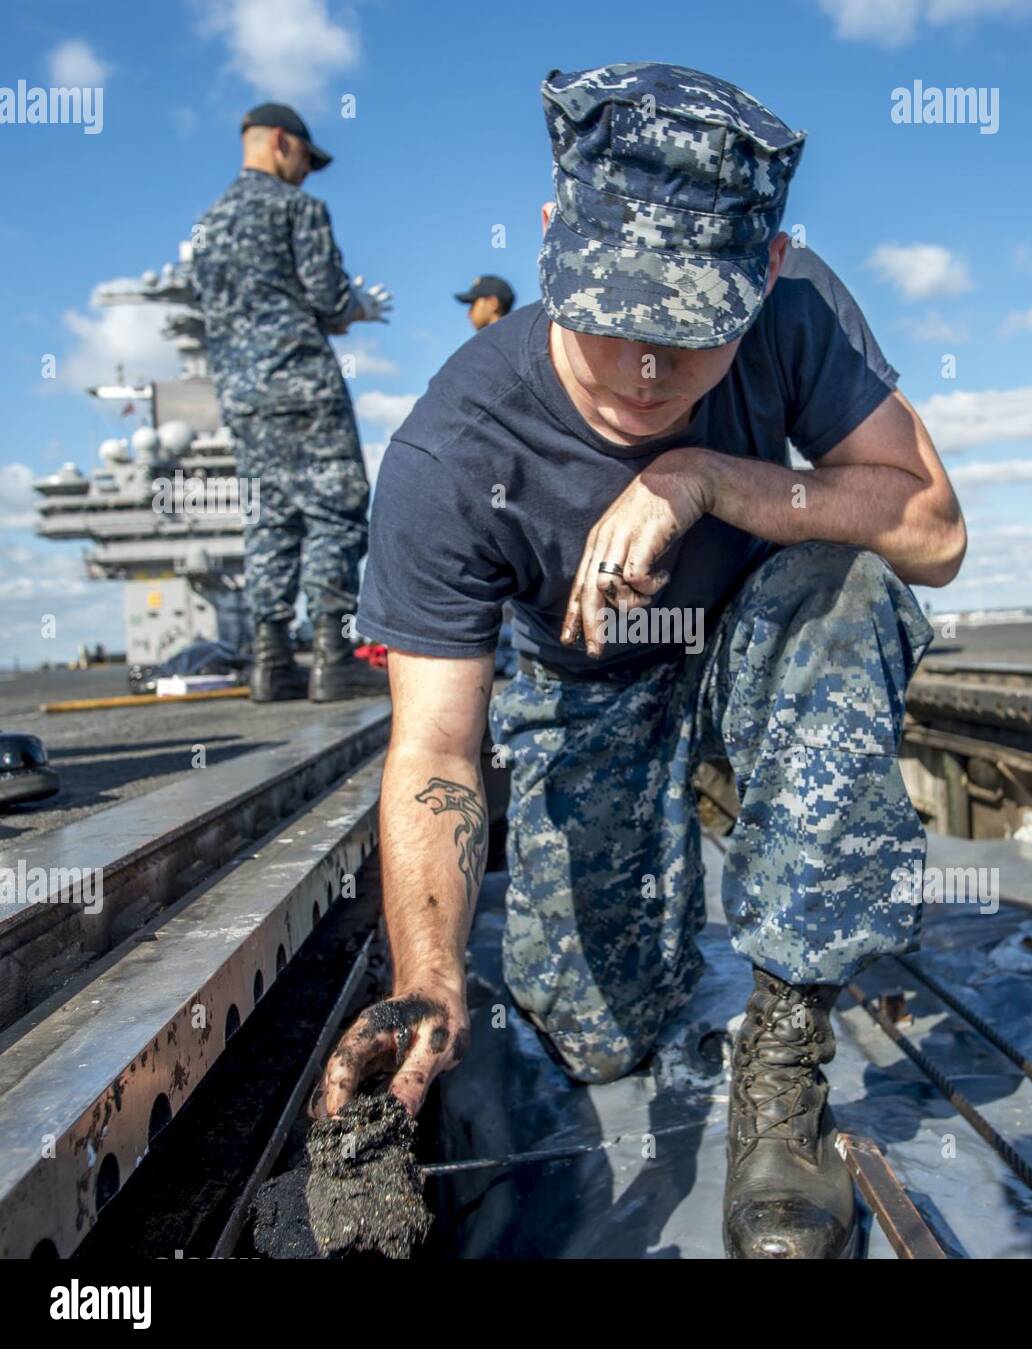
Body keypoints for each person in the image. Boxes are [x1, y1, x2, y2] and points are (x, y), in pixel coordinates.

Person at [319, 63, 966, 1260]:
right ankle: (644, 927)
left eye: (688, 332)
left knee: (849, 587)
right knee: (600, 1035)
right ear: (556, 239)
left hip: (744, 647)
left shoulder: (798, 307)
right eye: (611, 318)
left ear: (762, 276)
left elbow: (932, 530)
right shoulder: (452, 450)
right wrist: (430, 973)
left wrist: (706, 477)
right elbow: (435, 745)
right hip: (587, 691)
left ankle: (782, 1067)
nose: (645, 372)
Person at [190, 101, 393, 702]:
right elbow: (329, 302)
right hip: (302, 384)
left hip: (242, 397)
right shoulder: (297, 208)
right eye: (306, 157)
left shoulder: (210, 222)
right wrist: (357, 306)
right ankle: (332, 656)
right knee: (333, 509)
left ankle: (271, 661)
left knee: (270, 517)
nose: (308, 171)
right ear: (281, 141)